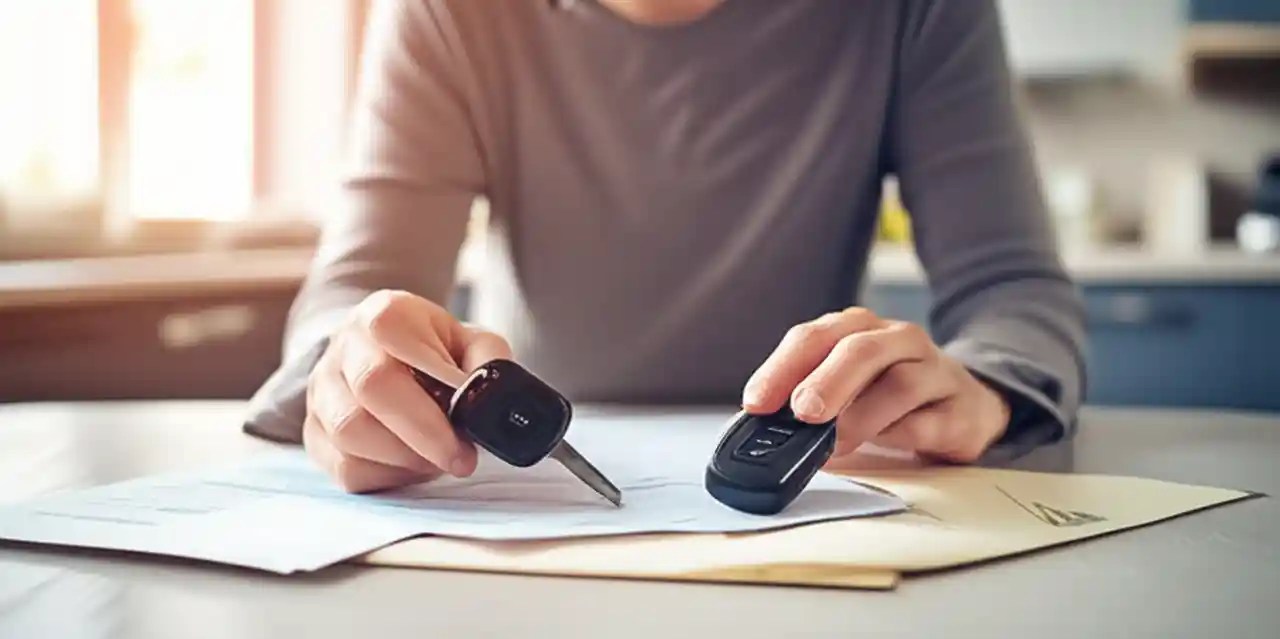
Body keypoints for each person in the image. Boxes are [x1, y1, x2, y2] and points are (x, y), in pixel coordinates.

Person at [244, 0, 1086, 493]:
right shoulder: (451, 13)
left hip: (825, 490)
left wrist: (986, 389)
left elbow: (1013, 289)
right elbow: (360, 290)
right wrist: (349, 374)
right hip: (531, 510)